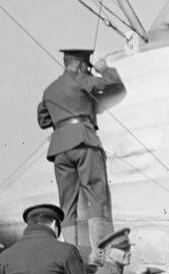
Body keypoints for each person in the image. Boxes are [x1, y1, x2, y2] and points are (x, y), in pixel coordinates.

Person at [37, 48, 125, 260]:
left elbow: (43, 120)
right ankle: (98, 252)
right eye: (87, 65)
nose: (88, 69)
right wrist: (104, 69)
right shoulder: (81, 79)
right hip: (84, 140)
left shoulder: (50, 90)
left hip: (59, 148)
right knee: (96, 195)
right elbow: (113, 83)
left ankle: (71, 252)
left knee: (67, 202)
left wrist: (63, 119)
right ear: (78, 65)